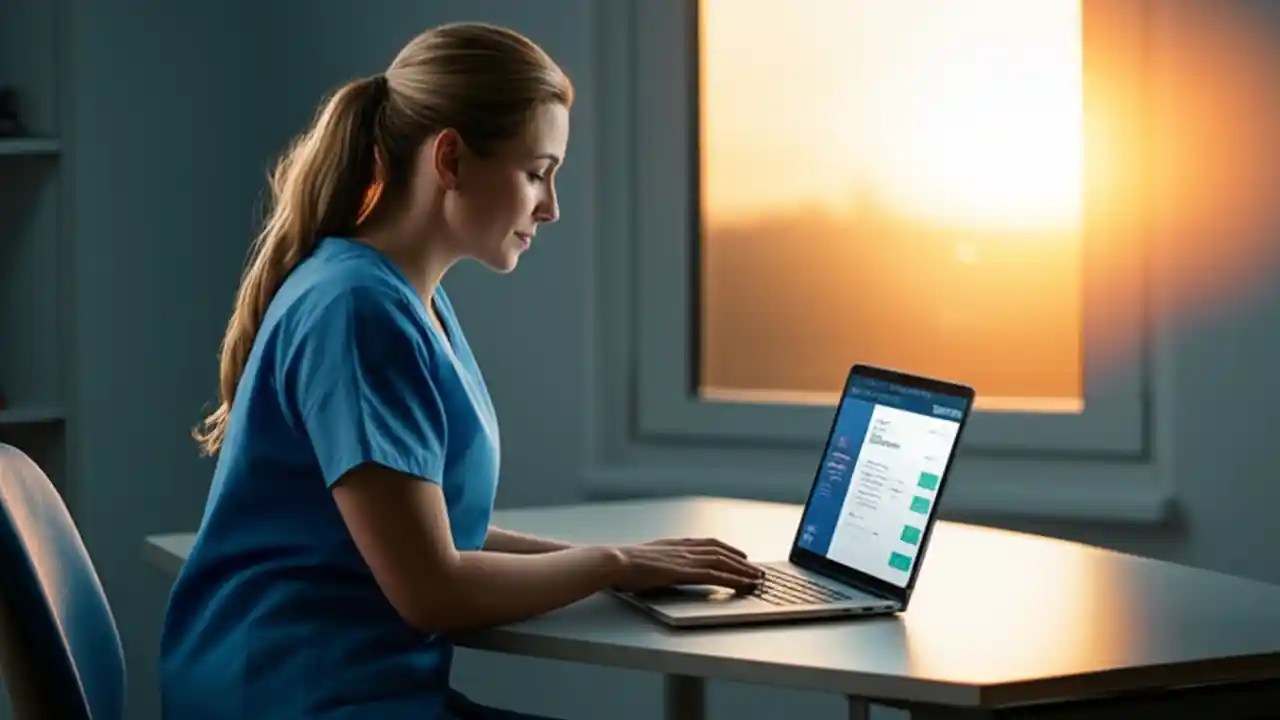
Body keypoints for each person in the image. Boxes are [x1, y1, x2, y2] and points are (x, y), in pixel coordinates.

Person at [159, 22, 763, 720]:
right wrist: (614, 567)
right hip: (293, 699)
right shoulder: (358, 310)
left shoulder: (409, 299)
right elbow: (432, 590)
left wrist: (617, 562)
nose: (551, 206)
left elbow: (440, 537)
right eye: (537, 172)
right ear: (450, 158)